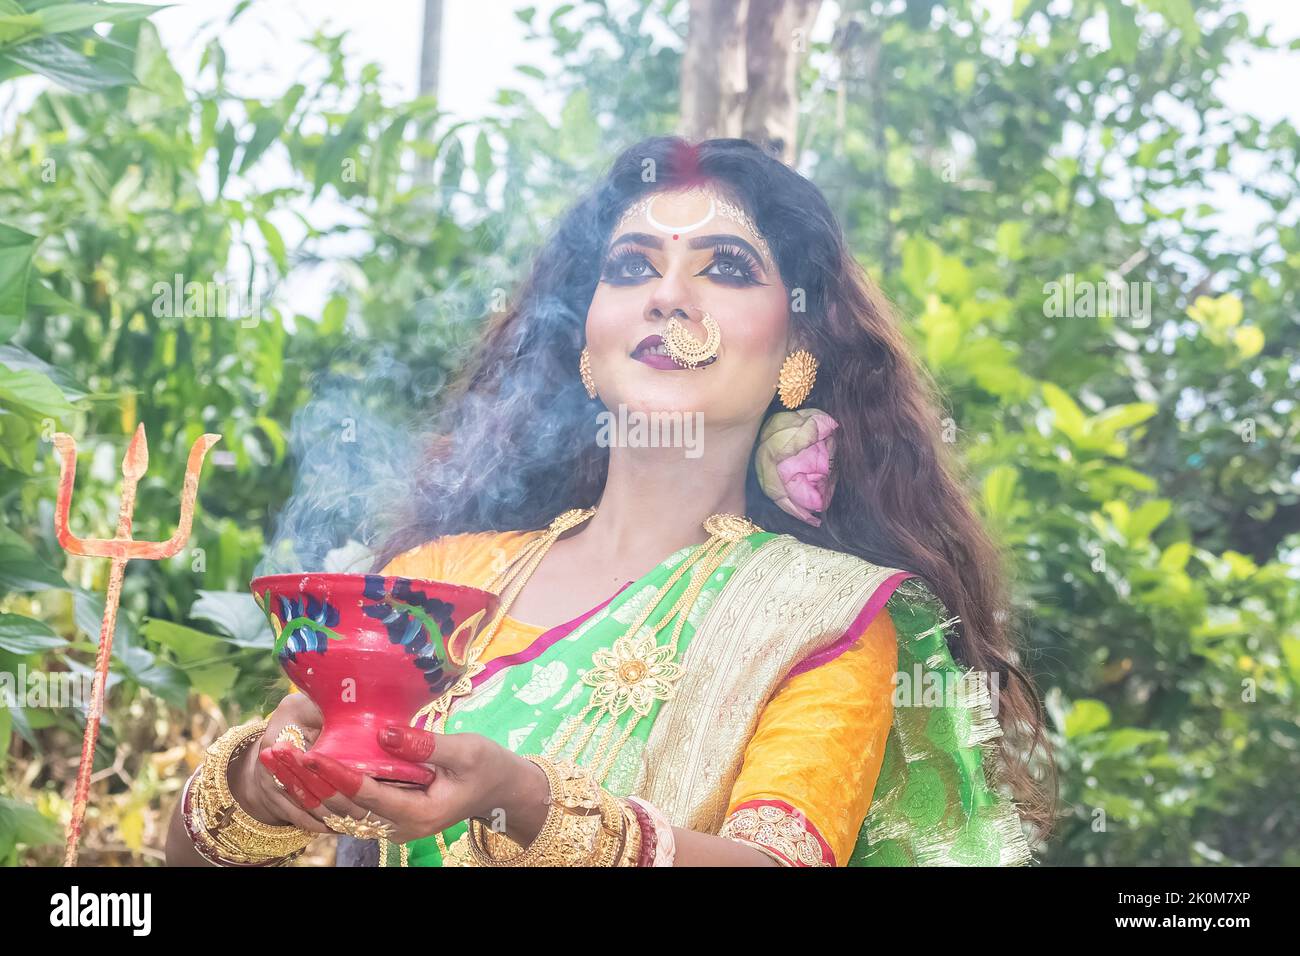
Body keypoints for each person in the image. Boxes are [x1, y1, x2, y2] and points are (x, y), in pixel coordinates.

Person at [166, 136, 1054, 867]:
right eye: (632, 266)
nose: (669, 296)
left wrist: (527, 800)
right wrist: (260, 786)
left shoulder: (825, 618)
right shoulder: (435, 581)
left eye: (728, 268)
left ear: (799, 351)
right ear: (587, 341)